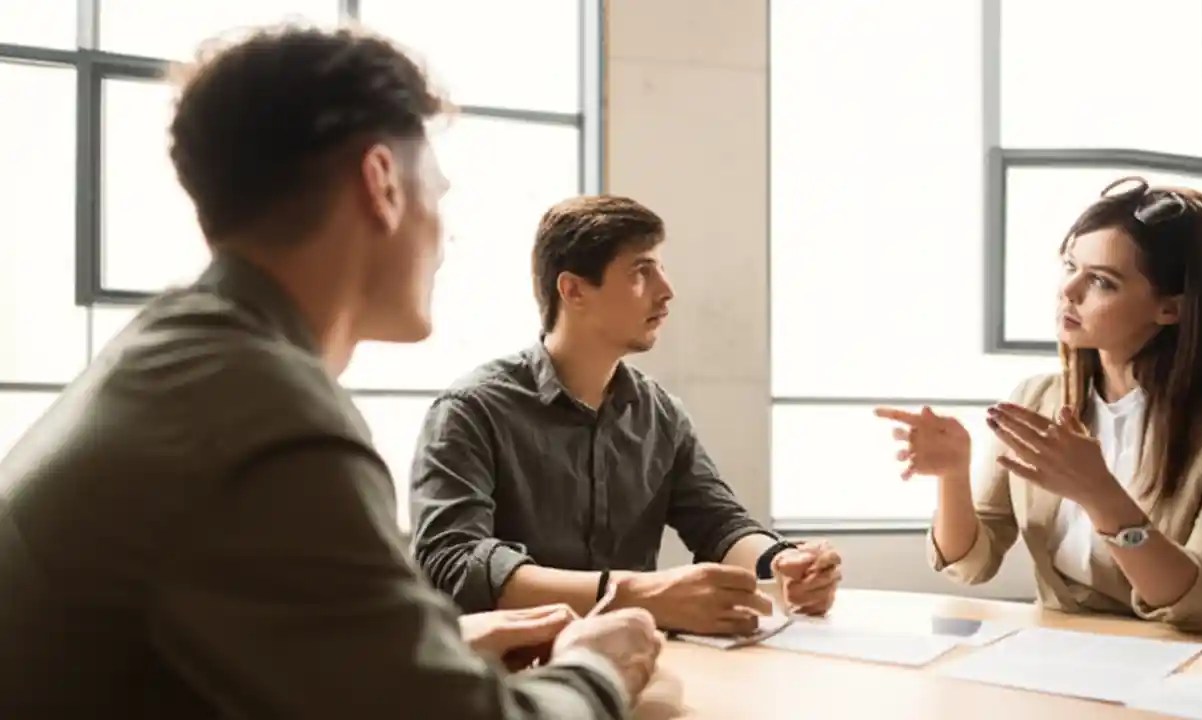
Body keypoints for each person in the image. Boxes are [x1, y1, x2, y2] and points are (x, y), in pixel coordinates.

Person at [0, 26, 664, 718]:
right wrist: (599, 668)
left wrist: (438, 645)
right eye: (437, 191)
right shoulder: (270, 418)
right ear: (380, 183)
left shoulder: (175, 357)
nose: (447, 235)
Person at [411, 195, 842, 636]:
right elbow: (454, 564)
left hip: (634, 664)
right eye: (641, 270)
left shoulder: (661, 415)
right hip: (511, 679)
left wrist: (782, 564)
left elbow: (720, 524)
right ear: (574, 290)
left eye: (660, 267)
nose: (666, 290)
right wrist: (633, 595)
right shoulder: (471, 410)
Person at [877, 176, 1202, 636]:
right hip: (1070, 654)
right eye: (1070, 265)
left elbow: (1198, 605)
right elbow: (972, 564)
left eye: (1102, 281)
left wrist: (1100, 495)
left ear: (1171, 309)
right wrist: (953, 477)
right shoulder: (1037, 398)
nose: (1068, 290)